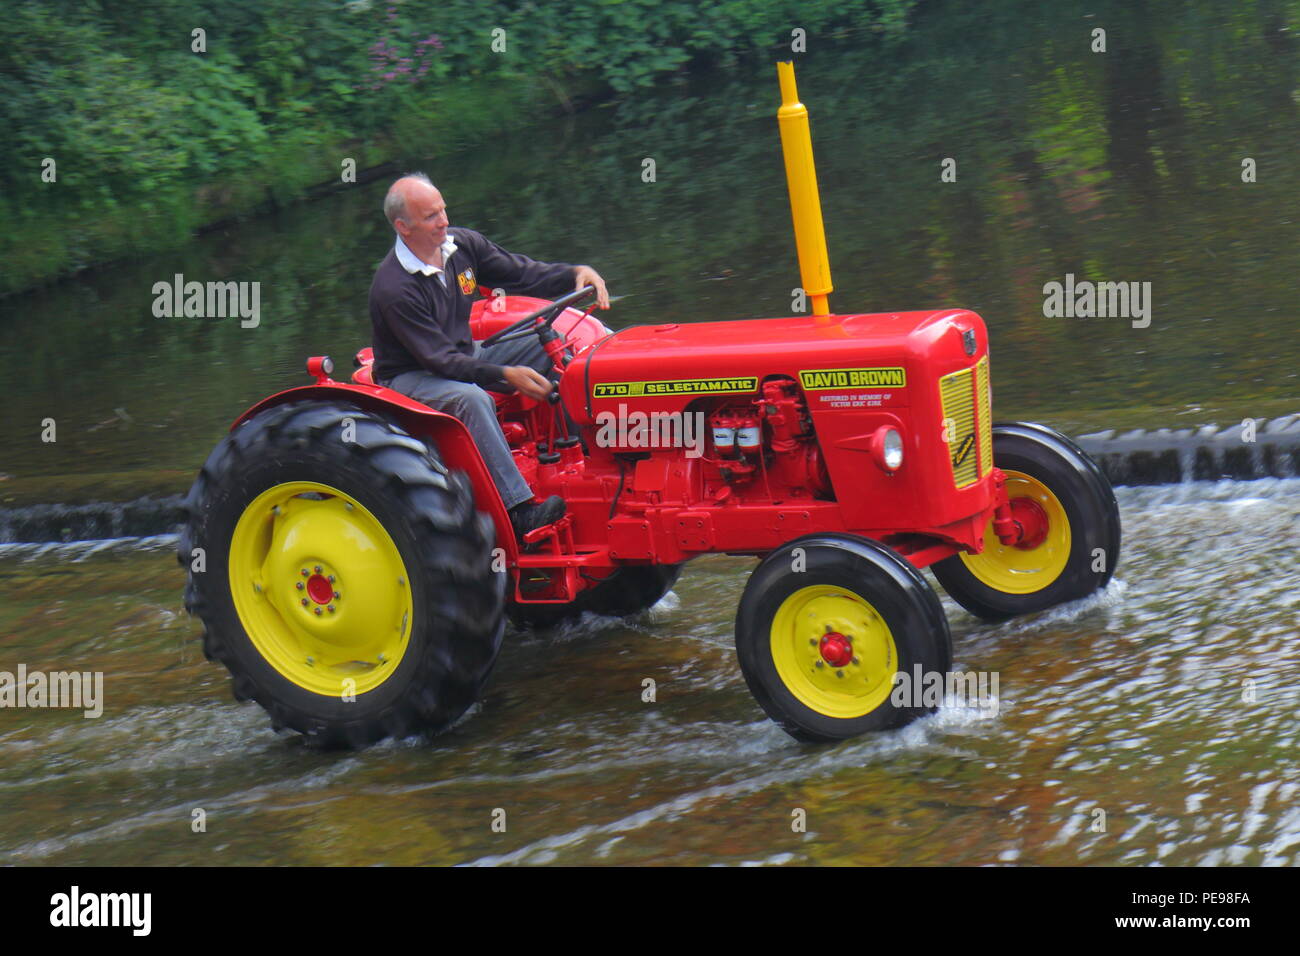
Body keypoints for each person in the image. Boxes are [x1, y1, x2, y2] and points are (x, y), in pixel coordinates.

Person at [368, 172, 610, 542]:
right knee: (472, 398)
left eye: (443, 210)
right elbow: (440, 362)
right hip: (412, 374)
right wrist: (504, 374)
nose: (444, 221)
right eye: (431, 216)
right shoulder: (394, 288)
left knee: (553, 345)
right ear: (403, 226)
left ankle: (582, 457)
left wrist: (575, 273)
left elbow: (518, 272)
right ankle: (519, 511)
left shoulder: (461, 245)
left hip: (462, 353)